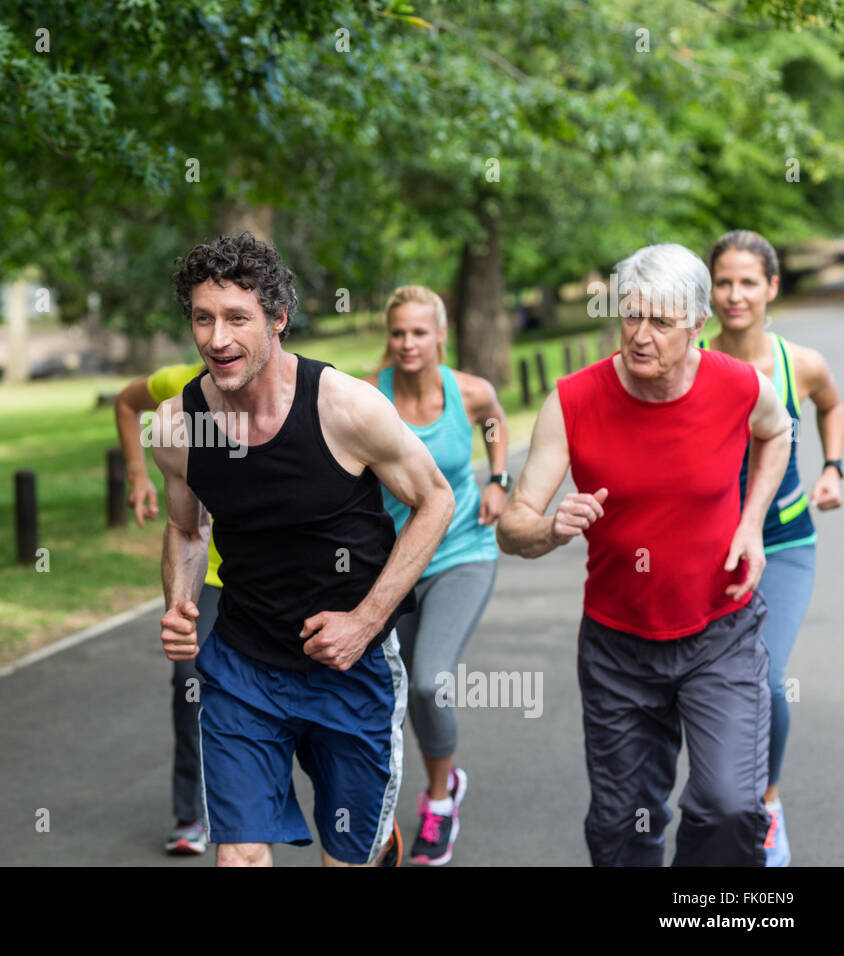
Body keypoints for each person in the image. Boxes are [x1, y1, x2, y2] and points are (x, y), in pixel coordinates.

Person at [151, 233, 455, 867]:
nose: (217, 339)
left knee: (347, 856)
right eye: (203, 319)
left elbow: (436, 502)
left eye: (238, 318)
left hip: (352, 668)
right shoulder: (177, 426)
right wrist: (181, 602)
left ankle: (377, 844)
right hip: (243, 664)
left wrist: (366, 622)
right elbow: (186, 528)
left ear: (279, 319)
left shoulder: (346, 408)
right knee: (238, 856)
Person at [496, 242, 791, 866]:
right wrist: (551, 529)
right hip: (618, 651)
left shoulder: (737, 386)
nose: (641, 335)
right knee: (623, 826)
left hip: (721, 633)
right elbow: (512, 526)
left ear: (697, 326)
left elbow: (780, 430)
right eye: (631, 315)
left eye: (661, 321)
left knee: (732, 806)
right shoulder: (574, 400)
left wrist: (752, 521)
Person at [699, 229, 842, 866]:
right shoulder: (690, 362)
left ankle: (766, 800)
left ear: (772, 289)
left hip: (783, 544)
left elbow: (831, 405)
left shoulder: (799, 364)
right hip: (705, 548)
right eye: (723, 282)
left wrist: (835, 467)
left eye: (748, 282)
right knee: (702, 684)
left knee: (766, 677)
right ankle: (716, 797)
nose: (735, 296)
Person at [363, 285, 508, 865]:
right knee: (390, 694)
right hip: (392, 565)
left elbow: (495, 423)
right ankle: (380, 807)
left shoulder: (469, 393)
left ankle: (441, 800)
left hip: (460, 554)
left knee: (428, 682)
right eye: (398, 333)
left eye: (419, 332)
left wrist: (499, 480)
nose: (407, 344)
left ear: (439, 336)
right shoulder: (368, 397)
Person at [115, 361, 221, 854]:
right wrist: (139, 474)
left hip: (274, 576)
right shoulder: (176, 384)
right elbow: (125, 402)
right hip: (211, 572)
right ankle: (190, 812)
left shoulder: (289, 394)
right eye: (205, 319)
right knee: (190, 682)